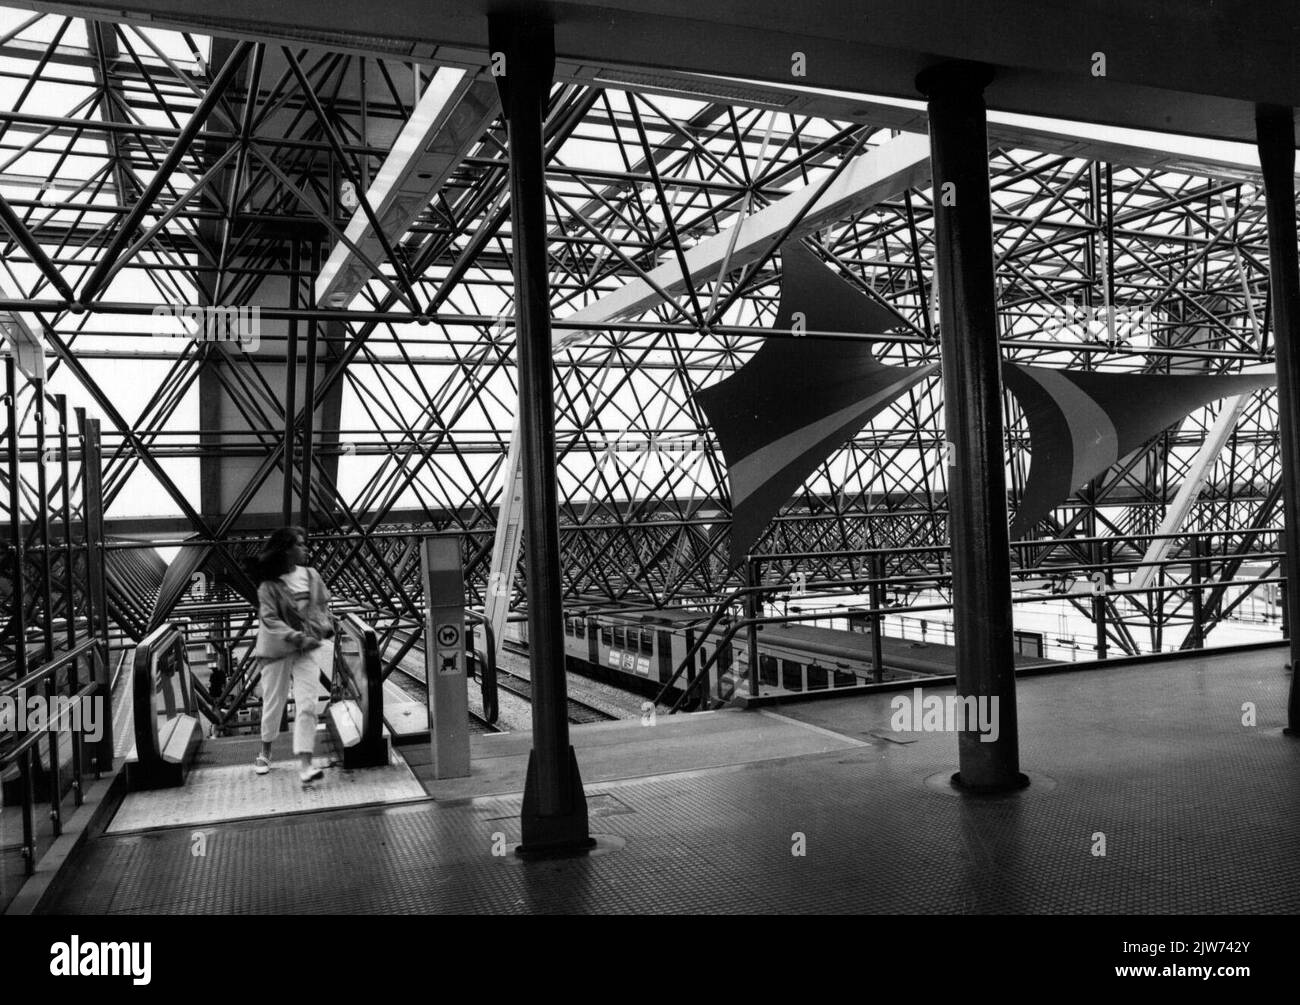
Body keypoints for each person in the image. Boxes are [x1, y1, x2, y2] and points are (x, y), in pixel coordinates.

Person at [247, 527, 335, 783]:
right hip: (277, 650)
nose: (305, 549)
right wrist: (298, 637)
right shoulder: (269, 586)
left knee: (308, 703)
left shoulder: (311, 575)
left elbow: (321, 606)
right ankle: (265, 752)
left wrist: (321, 627)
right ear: (286, 550)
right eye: (299, 544)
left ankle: (305, 763)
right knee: (274, 702)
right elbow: (270, 619)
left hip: (305, 649)